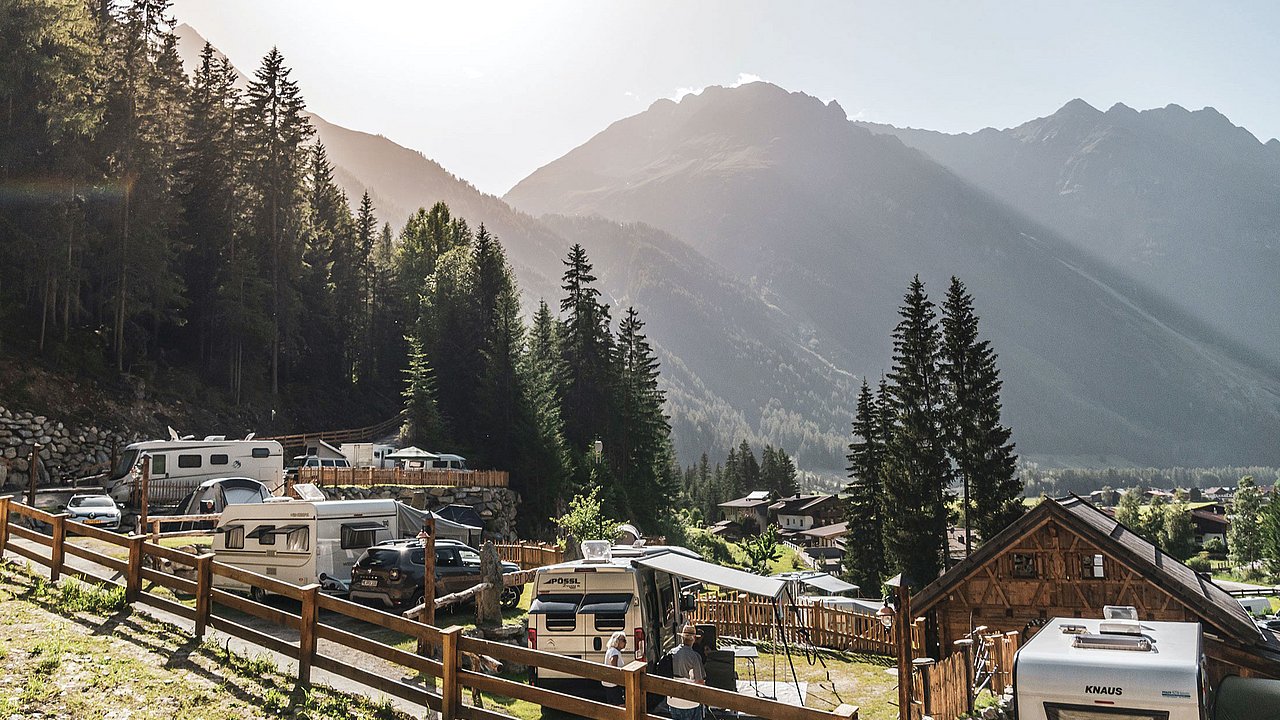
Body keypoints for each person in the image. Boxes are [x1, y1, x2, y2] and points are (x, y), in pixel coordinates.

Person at [667, 623, 706, 720]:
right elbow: (699, 681)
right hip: (690, 702)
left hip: (673, 701)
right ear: (693, 639)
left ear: (682, 638)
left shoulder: (671, 653)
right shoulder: (695, 656)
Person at [601, 631, 627, 704]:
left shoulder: (612, 650)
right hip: (613, 683)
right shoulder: (614, 652)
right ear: (617, 641)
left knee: (612, 703)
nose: (625, 642)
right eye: (624, 640)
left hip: (609, 682)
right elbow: (614, 665)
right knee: (620, 704)